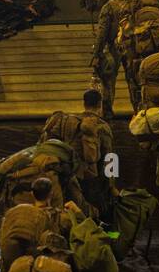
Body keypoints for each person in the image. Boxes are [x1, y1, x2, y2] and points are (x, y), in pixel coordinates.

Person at [38, 91, 115, 219]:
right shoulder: (101, 126)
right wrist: (111, 186)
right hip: (91, 180)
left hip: (69, 176)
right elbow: (110, 159)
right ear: (99, 104)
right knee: (97, 215)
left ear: (84, 103)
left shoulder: (69, 122)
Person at [0, 177, 67, 272]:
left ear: (32, 194)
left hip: (13, 269)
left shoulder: (17, 213)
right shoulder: (60, 217)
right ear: (51, 194)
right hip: (42, 269)